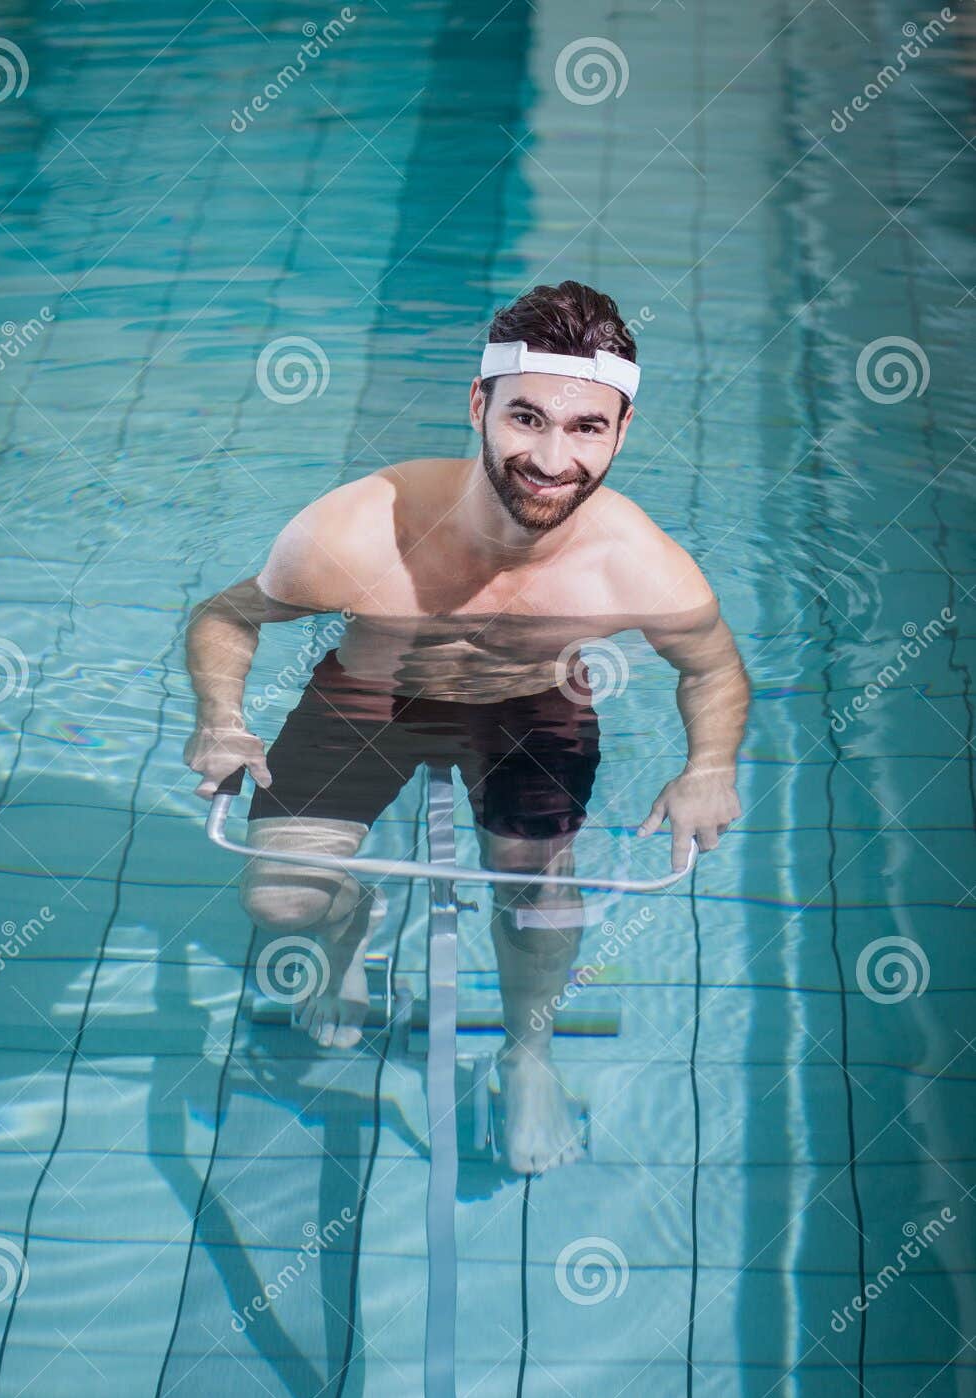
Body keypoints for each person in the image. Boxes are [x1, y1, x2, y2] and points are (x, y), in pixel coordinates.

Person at [184, 280, 749, 1173]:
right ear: (479, 404)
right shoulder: (359, 529)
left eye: (585, 428)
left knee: (533, 887)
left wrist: (708, 766)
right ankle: (347, 929)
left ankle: (528, 1056)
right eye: (527, 418)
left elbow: (711, 666)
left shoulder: (637, 567)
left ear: (620, 432)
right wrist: (222, 720)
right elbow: (227, 616)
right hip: (371, 694)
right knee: (281, 900)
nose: (552, 457)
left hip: (530, 707)